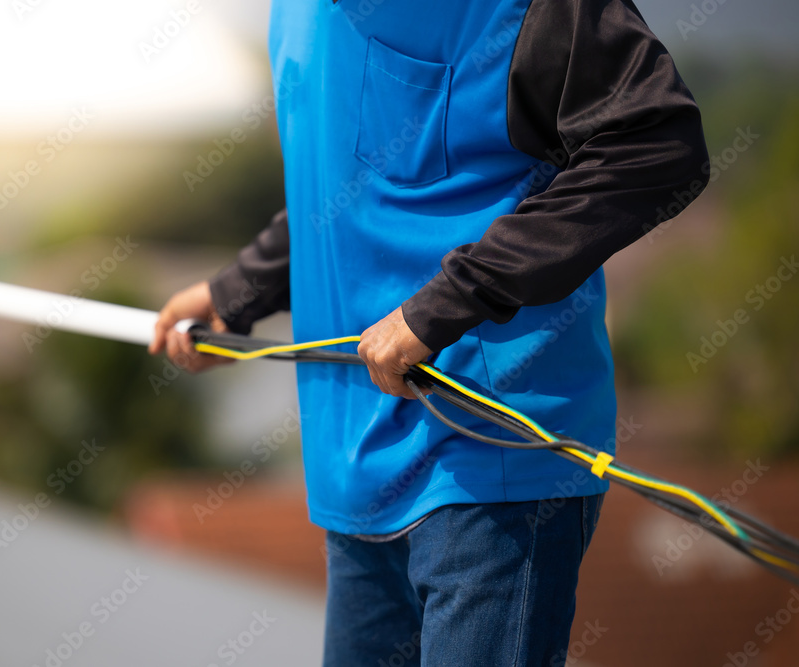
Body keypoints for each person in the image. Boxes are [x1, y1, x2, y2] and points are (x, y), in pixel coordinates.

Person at [149, 0, 709, 664]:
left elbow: (657, 141)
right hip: (352, 474)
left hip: (492, 469)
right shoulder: (295, 12)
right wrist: (237, 290)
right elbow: (346, 177)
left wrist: (445, 303)